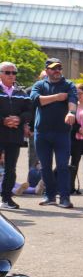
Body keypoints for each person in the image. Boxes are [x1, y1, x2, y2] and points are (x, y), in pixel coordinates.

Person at [30, 57, 78, 208]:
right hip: (42, 133)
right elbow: (36, 100)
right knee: (45, 166)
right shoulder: (39, 85)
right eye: (54, 68)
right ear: (47, 70)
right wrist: (57, 97)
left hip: (62, 133)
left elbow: (72, 100)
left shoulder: (68, 84)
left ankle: (64, 198)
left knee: (63, 166)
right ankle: (49, 196)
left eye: (59, 68)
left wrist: (71, 112)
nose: (57, 71)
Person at [0, 61, 33, 209]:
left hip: (14, 136)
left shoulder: (22, 93)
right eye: (7, 72)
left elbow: (30, 111)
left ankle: (6, 199)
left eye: (14, 73)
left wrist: (19, 119)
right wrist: (3, 121)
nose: (11, 75)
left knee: (11, 169)